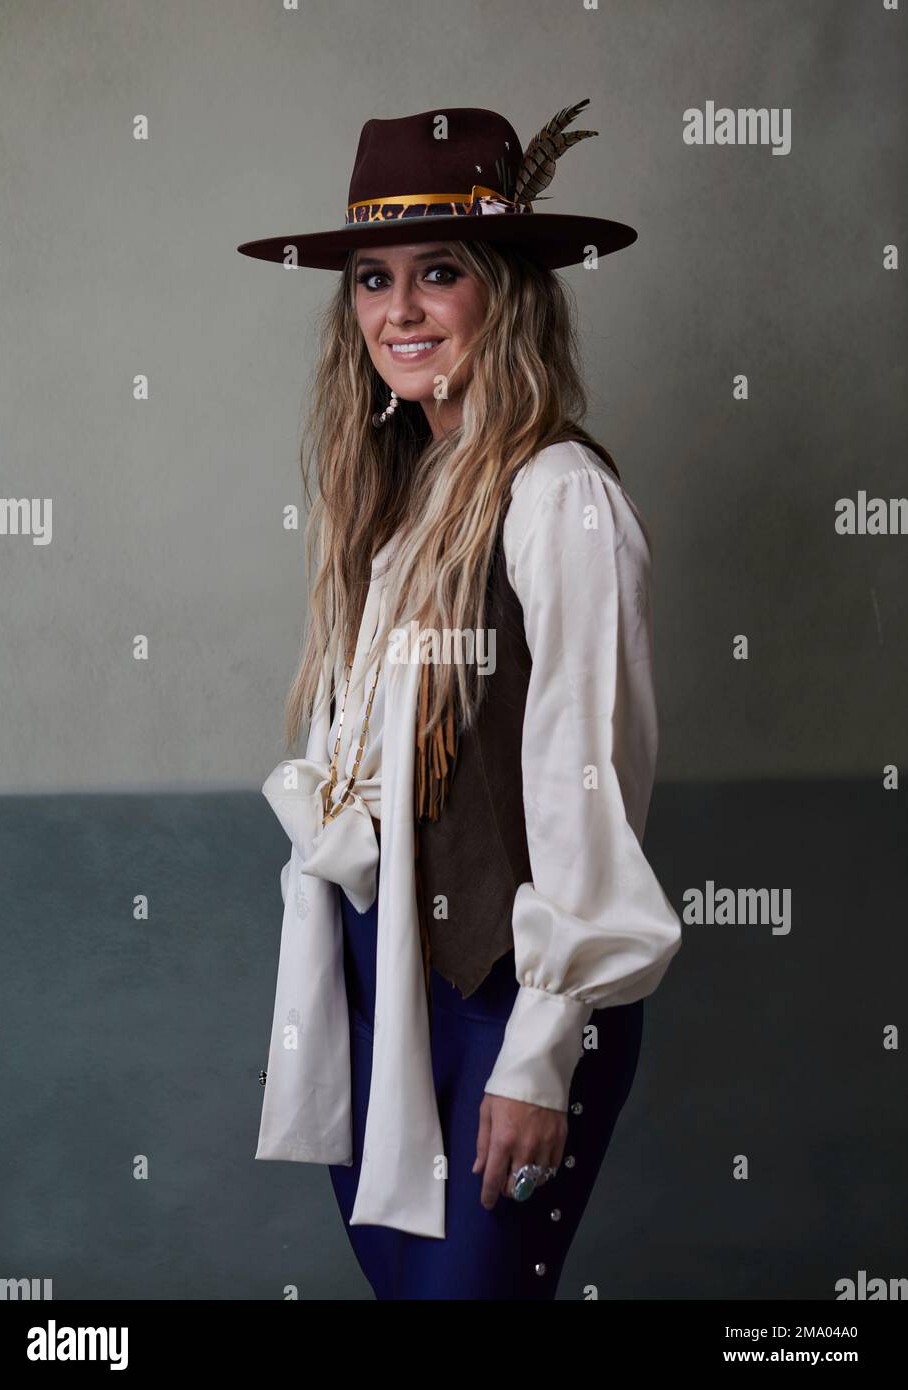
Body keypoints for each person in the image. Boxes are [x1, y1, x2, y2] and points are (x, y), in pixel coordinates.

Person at [238, 101, 683, 1300]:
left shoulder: (558, 496)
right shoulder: (391, 506)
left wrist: (541, 1054)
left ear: (507, 292)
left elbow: (592, 787)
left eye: (439, 273)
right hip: (384, 992)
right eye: (374, 280)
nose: (400, 311)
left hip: (512, 997)